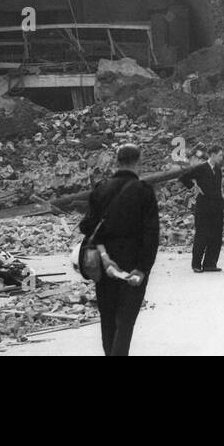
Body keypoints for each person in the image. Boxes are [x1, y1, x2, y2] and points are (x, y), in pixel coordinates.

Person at [80, 144, 159, 357]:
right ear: (138, 162)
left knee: (108, 318)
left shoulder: (101, 189)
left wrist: (105, 257)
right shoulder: (144, 191)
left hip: (105, 264)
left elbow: (87, 227)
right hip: (132, 263)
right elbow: (151, 235)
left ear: (117, 161)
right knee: (125, 322)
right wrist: (142, 268)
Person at [179, 144, 224, 272]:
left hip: (216, 206)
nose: (221, 157)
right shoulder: (200, 168)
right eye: (220, 155)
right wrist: (194, 187)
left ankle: (210, 263)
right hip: (203, 206)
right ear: (213, 155)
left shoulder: (218, 169)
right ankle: (196, 264)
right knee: (202, 235)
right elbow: (183, 177)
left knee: (216, 235)